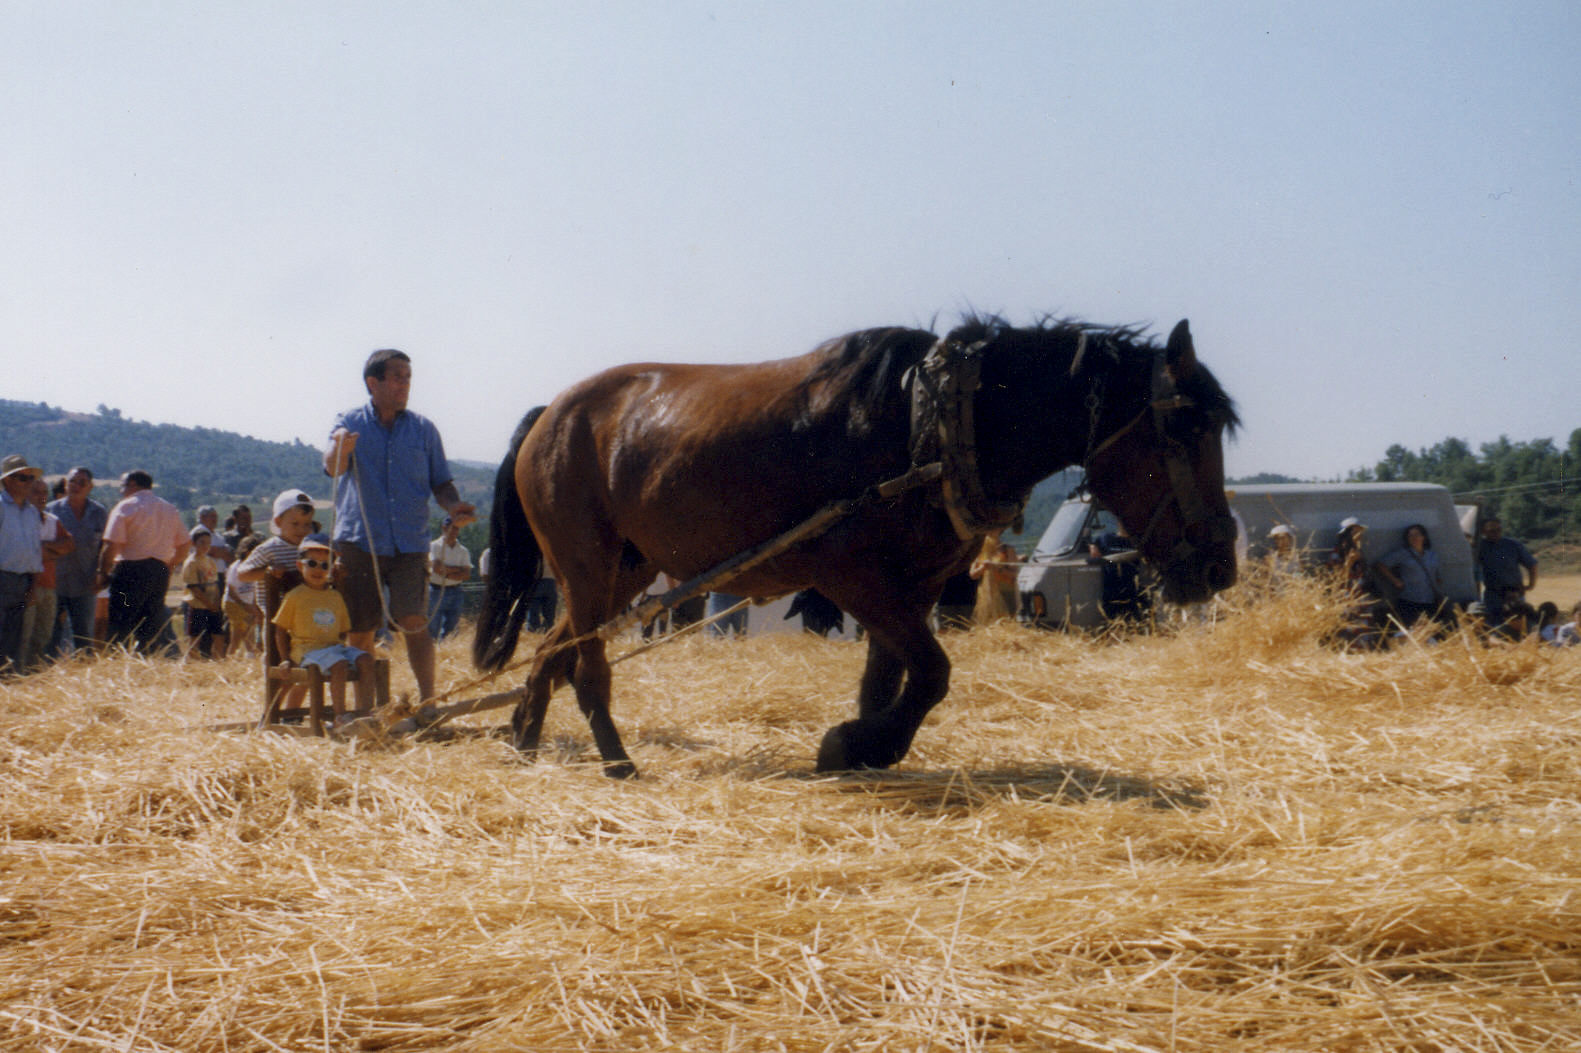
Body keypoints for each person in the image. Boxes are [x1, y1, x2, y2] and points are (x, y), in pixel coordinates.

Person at [324, 349, 475, 701]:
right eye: (397, 377)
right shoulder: (348, 422)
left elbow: (441, 482)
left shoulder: (424, 429)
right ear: (372, 383)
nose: (405, 384)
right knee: (361, 630)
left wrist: (454, 507)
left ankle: (428, 703)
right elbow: (332, 468)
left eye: (408, 377)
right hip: (360, 542)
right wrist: (341, 449)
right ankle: (364, 712)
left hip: (409, 542)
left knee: (415, 625)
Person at [272, 533, 375, 721]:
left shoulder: (335, 597)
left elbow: (343, 629)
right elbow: (280, 630)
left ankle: (367, 713)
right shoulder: (295, 596)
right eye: (312, 563)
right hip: (307, 651)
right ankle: (340, 717)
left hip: (332, 649)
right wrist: (285, 659)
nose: (318, 570)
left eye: (325, 565)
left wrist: (335, 644)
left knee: (366, 659)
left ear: (331, 570)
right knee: (339, 664)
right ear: (300, 566)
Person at [98, 470, 191, 655]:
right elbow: (185, 544)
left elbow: (111, 546)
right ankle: (147, 663)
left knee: (121, 623)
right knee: (151, 624)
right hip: (159, 573)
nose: (121, 491)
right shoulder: (169, 509)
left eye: (123, 486)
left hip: (129, 573)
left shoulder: (125, 507)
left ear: (133, 484)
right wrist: (170, 565)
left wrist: (103, 572)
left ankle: (117, 663)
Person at [47, 466, 108, 654]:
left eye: (82, 482)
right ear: (65, 484)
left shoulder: (99, 513)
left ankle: (83, 674)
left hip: (85, 585)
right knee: (51, 635)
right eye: (72, 481)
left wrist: (101, 575)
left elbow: (104, 547)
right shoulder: (51, 511)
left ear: (90, 487)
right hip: (55, 583)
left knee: (84, 636)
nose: (76, 486)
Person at [20, 477, 74, 671]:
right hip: (26, 587)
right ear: (26, 493)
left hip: (49, 587)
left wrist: (43, 549)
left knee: (42, 636)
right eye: (36, 492)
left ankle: (33, 675)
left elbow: (69, 545)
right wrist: (52, 551)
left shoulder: (52, 521)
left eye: (44, 492)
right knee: (23, 636)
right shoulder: (18, 520)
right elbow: (26, 552)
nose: (42, 497)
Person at [0, 456, 46, 672]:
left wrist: (33, 587)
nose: (29, 482)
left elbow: (35, 552)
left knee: (14, 638)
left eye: (30, 478)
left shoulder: (31, 513)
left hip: (23, 581)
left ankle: (7, 684)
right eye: (22, 478)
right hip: (3, 577)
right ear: (7, 480)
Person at [235, 490, 319, 585]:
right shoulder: (269, 549)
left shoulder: (309, 549)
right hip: (274, 599)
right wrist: (268, 571)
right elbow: (241, 574)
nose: (301, 529)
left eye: (307, 524)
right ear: (278, 522)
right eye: (295, 524)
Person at [1375, 523, 1446, 630]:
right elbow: (1381, 565)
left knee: (1427, 631)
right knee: (1409, 631)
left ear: (1424, 537)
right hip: (1409, 599)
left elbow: (1437, 573)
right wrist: (1395, 581)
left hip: (1429, 599)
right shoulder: (1402, 554)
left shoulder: (1432, 555)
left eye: (1417, 535)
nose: (1414, 538)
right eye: (1410, 536)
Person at [1326, 516, 1381, 649]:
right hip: (1346, 599)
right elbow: (1337, 580)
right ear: (1346, 535)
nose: (1359, 535)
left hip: (1362, 598)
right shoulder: (1337, 553)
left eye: (1359, 532)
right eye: (1355, 532)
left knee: (1364, 631)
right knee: (1349, 632)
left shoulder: (1358, 551)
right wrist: (1349, 562)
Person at [1477, 517, 1537, 628]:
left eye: (1499, 530)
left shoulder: (1512, 545)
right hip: (1493, 595)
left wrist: (1531, 585)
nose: (1496, 533)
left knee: (1519, 624)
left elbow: (1532, 564)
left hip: (1514, 593)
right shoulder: (1480, 547)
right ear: (1483, 532)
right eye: (1492, 531)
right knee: (1494, 626)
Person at [426, 516, 472, 640]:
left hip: (456, 591)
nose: (453, 531)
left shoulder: (463, 550)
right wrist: (458, 569)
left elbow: (467, 574)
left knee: (452, 628)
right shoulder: (433, 546)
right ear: (444, 528)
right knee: (432, 627)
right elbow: (436, 568)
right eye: (450, 528)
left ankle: (448, 655)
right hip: (435, 590)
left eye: (456, 528)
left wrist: (446, 572)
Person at [182, 526, 224, 658]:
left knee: (218, 634)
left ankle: (219, 661)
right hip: (198, 606)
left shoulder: (210, 561)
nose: (206, 546)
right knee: (195, 638)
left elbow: (216, 584)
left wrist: (216, 602)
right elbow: (194, 589)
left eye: (208, 543)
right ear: (194, 544)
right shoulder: (191, 563)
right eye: (202, 542)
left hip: (213, 606)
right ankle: (191, 663)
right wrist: (209, 604)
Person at [223, 534, 265, 654]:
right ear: (246, 551)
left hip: (247, 604)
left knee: (248, 632)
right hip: (234, 603)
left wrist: (253, 604)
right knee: (239, 634)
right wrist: (243, 605)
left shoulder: (254, 567)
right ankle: (231, 658)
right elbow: (231, 590)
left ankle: (249, 656)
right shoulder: (236, 567)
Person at [971, 532, 1022, 623]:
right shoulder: (979, 550)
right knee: (987, 621)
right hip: (986, 593)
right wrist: (983, 567)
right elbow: (973, 575)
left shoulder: (1007, 549)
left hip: (1006, 591)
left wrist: (998, 569)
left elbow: (1014, 573)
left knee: (1008, 621)